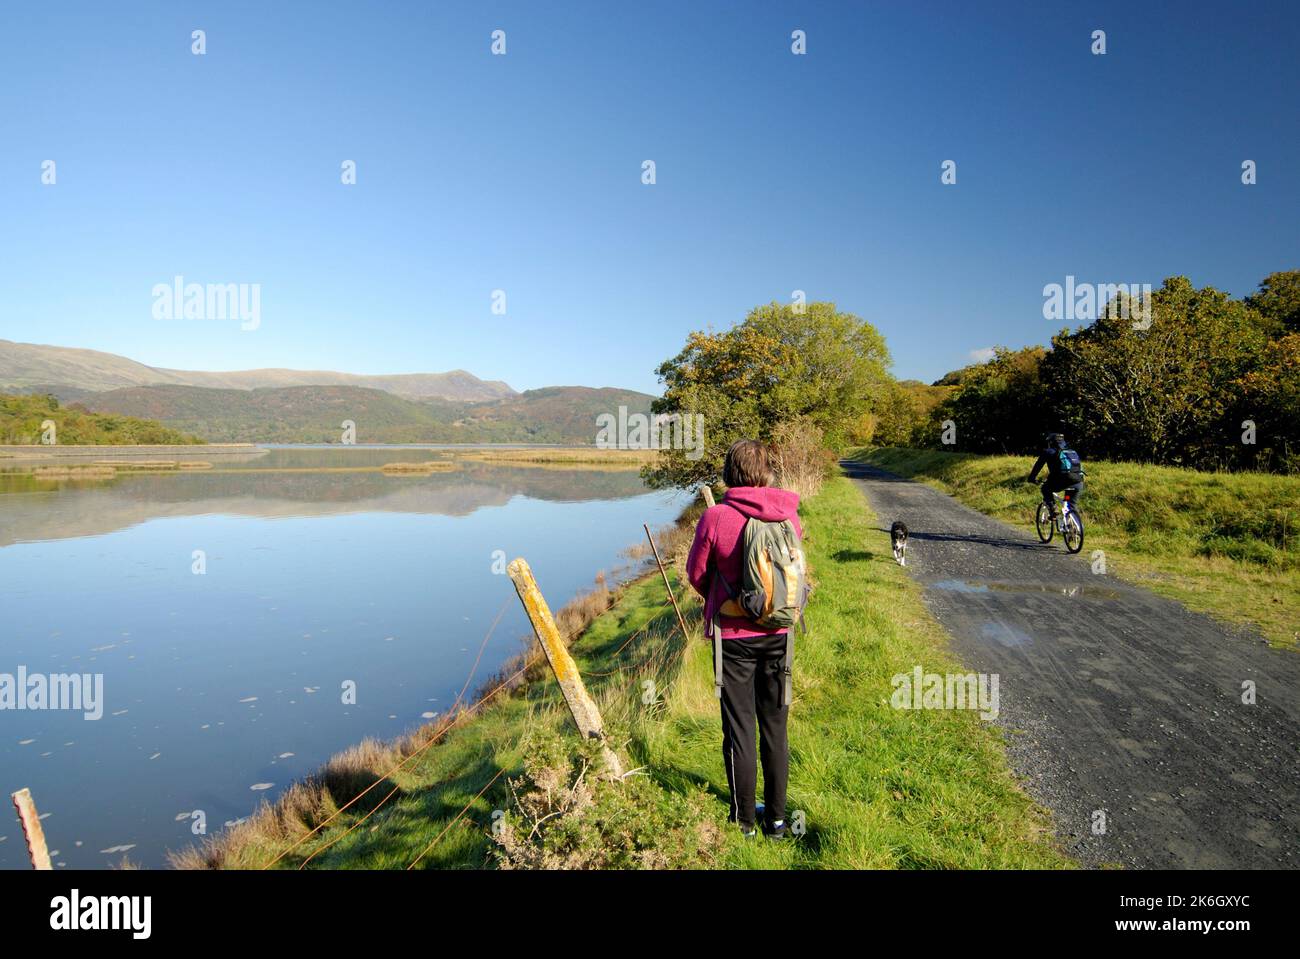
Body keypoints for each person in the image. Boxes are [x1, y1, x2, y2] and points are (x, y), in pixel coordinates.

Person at [686, 439, 802, 839]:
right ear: (767, 471)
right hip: (780, 633)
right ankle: (778, 822)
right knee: (775, 728)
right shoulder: (790, 514)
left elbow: (697, 574)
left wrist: (725, 601)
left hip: (733, 637)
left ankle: (744, 822)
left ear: (729, 474)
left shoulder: (716, 516)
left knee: (739, 729)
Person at [1028, 432, 1084, 514]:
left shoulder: (1048, 452)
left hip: (1061, 481)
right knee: (1071, 505)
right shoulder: (1071, 451)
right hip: (1078, 481)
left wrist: (1032, 478)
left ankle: (1053, 508)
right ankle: (1075, 525)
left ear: (1050, 442)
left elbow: (1037, 466)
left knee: (1045, 489)